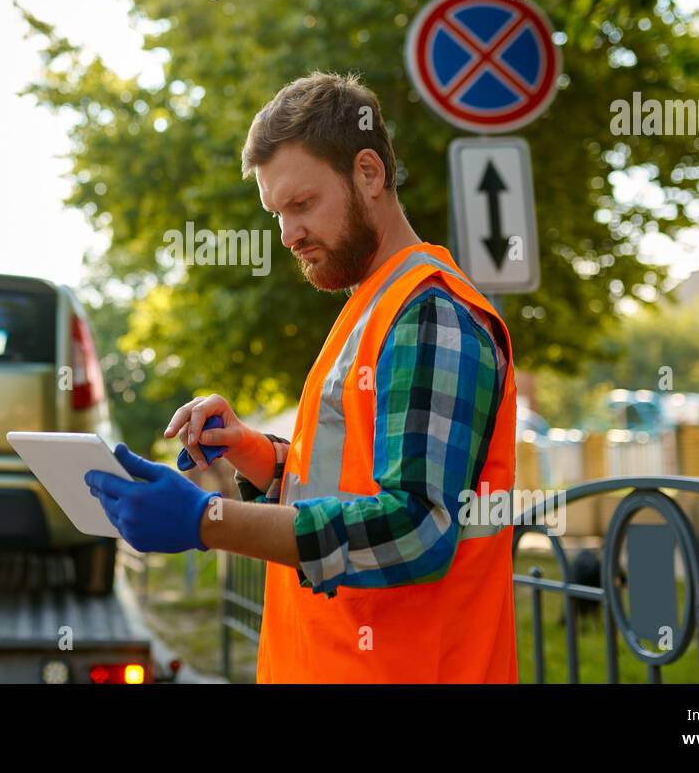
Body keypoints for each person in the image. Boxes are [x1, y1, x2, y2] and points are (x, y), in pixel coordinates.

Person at [85, 71, 519, 683]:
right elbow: (351, 483)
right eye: (276, 212)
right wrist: (254, 452)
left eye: (301, 204)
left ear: (368, 173)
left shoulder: (431, 314)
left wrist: (209, 520)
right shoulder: (375, 304)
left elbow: (421, 526)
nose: (287, 235)